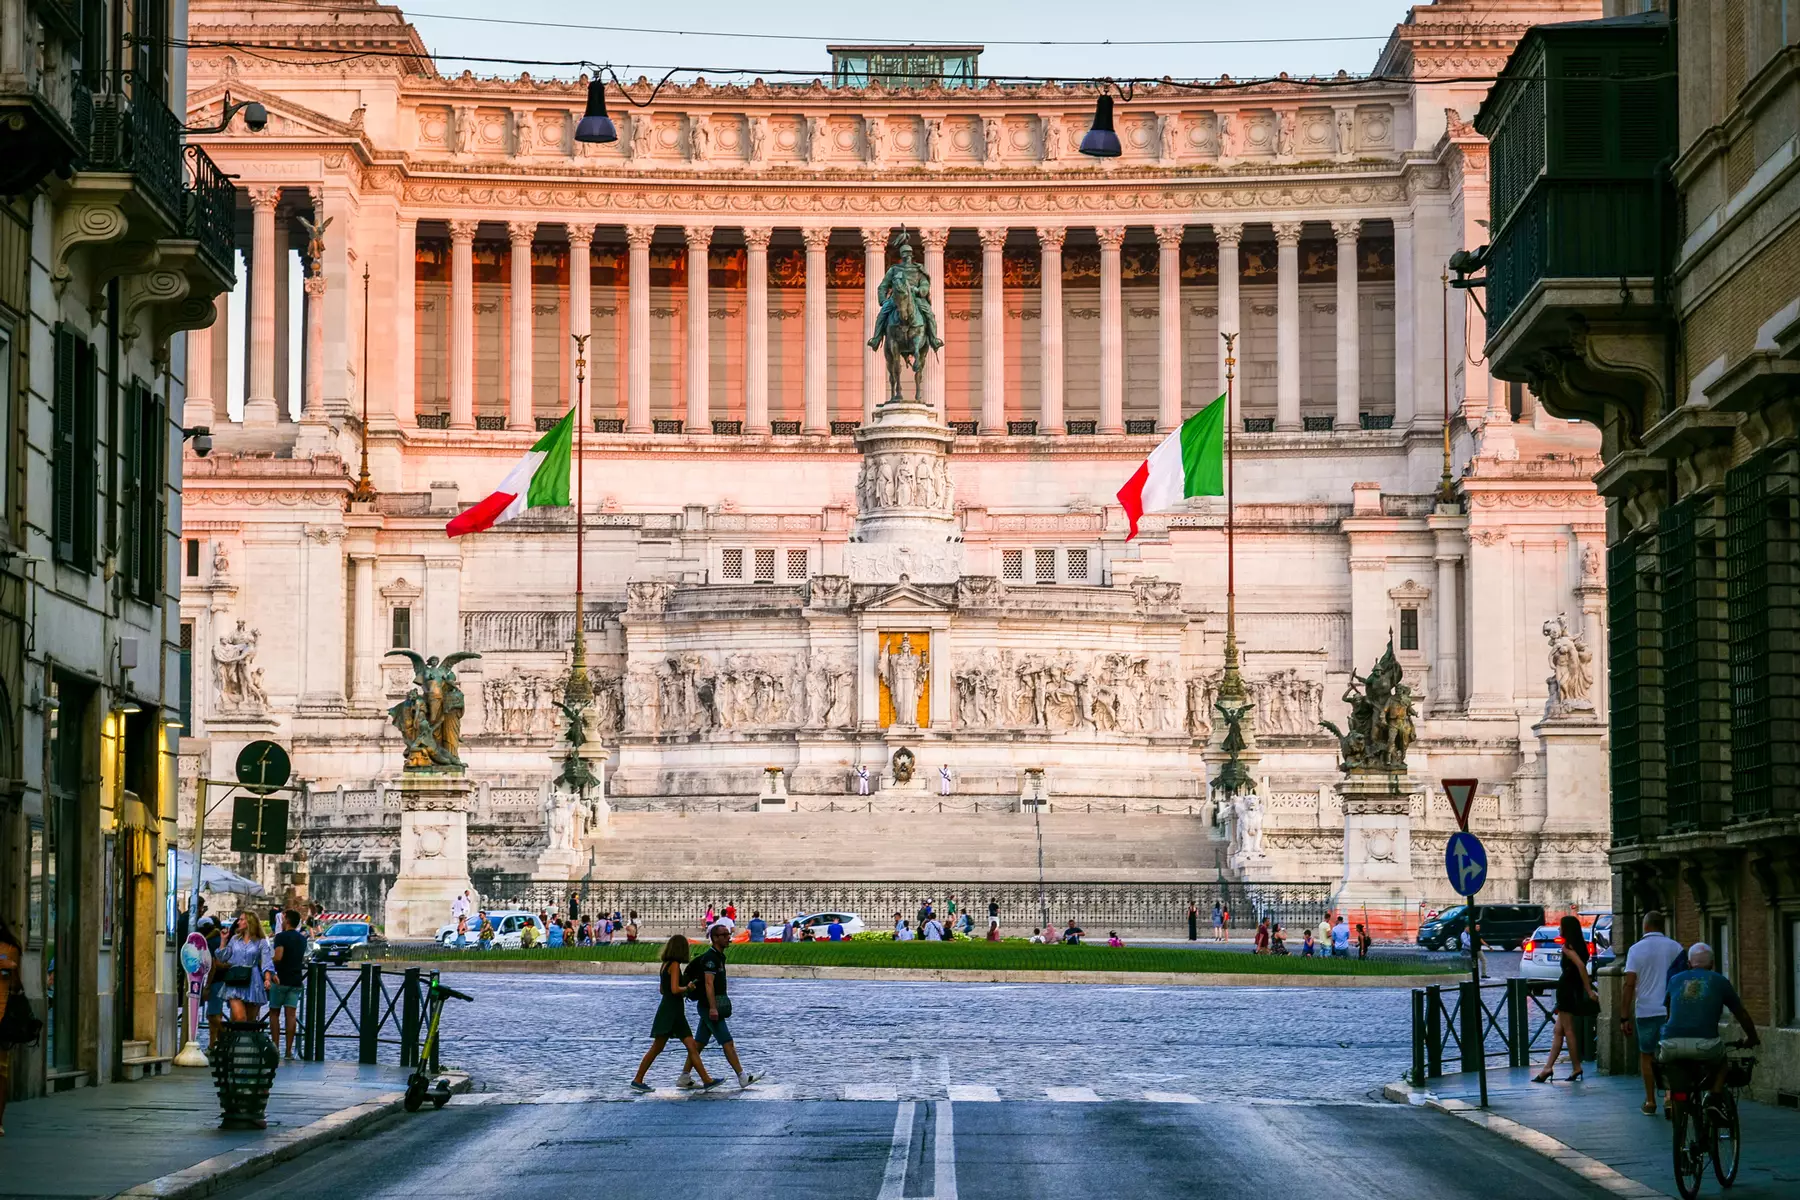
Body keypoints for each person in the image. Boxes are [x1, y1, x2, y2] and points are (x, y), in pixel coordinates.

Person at [1659, 942, 1760, 1095]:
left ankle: (1677, 1106)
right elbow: (1741, 1014)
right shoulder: (1719, 981)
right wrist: (1752, 1038)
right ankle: (1715, 1095)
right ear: (1712, 964)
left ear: (1688, 963)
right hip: (1705, 1045)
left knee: (1676, 1069)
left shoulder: (1675, 980)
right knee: (1722, 1062)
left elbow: (1668, 1014)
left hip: (1670, 1044)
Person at [630, 935, 718, 1092]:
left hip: (672, 1009)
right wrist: (688, 988)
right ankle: (637, 1079)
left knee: (690, 1045)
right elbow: (674, 989)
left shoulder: (665, 965)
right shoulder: (675, 965)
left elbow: (662, 989)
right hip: (671, 1011)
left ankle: (707, 1080)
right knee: (658, 1047)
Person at [1619, 909, 1686, 1114]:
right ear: (1662, 926)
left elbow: (1629, 984)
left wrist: (1624, 1016)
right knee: (1670, 1055)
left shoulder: (1635, 950)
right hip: (1670, 1011)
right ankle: (1668, 1097)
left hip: (1646, 1010)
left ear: (1645, 926)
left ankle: (1650, 1101)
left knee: (1647, 1055)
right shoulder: (1676, 948)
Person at [680, 922, 762, 1090]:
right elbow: (709, 985)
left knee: (699, 1044)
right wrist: (712, 1008)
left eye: (727, 934)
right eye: (724, 935)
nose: (728, 937)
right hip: (709, 1006)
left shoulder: (718, 956)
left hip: (708, 1006)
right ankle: (742, 1077)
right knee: (727, 1042)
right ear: (715, 938)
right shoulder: (711, 958)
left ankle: (684, 1076)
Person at [1535, 914, 1597, 1083]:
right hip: (1571, 989)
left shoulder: (1568, 947)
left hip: (1567, 990)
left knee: (1568, 1030)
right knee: (1558, 1031)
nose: (1559, 929)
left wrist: (1589, 990)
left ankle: (1576, 1067)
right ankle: (1547, 1068)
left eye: (1561, 926)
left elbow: (1581, 967)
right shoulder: (1580, 946)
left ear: (1567, 929)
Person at [214, 911, 275, 1024]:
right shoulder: (234, 939)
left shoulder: (261, 942)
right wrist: (223, 940)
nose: (238, 922)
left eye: (242, 919)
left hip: (253, 979)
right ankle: (235, 1039)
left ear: (249, 922)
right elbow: (223, 957)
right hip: (236, 978)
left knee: (251, 1021)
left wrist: (267, 978)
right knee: (240, 1018)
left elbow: (267, 962)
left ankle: (242, 1040)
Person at [268, 910, 308, 1061]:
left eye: (283, 919)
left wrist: (266, 961)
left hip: (280, 979)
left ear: (287, 921)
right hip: (296, 979)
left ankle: (275, 1047)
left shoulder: (281, 937)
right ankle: (289, 1051)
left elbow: (278, 957)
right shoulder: (302, 939)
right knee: (291, 1015)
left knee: (274, 1013)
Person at [0, 916, 25, 1135]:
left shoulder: (10, 950)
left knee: (1, 1071)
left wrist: (11, 968)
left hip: (3, 1016)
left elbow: (17, 985)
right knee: (2, 1071)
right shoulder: (11, 948)